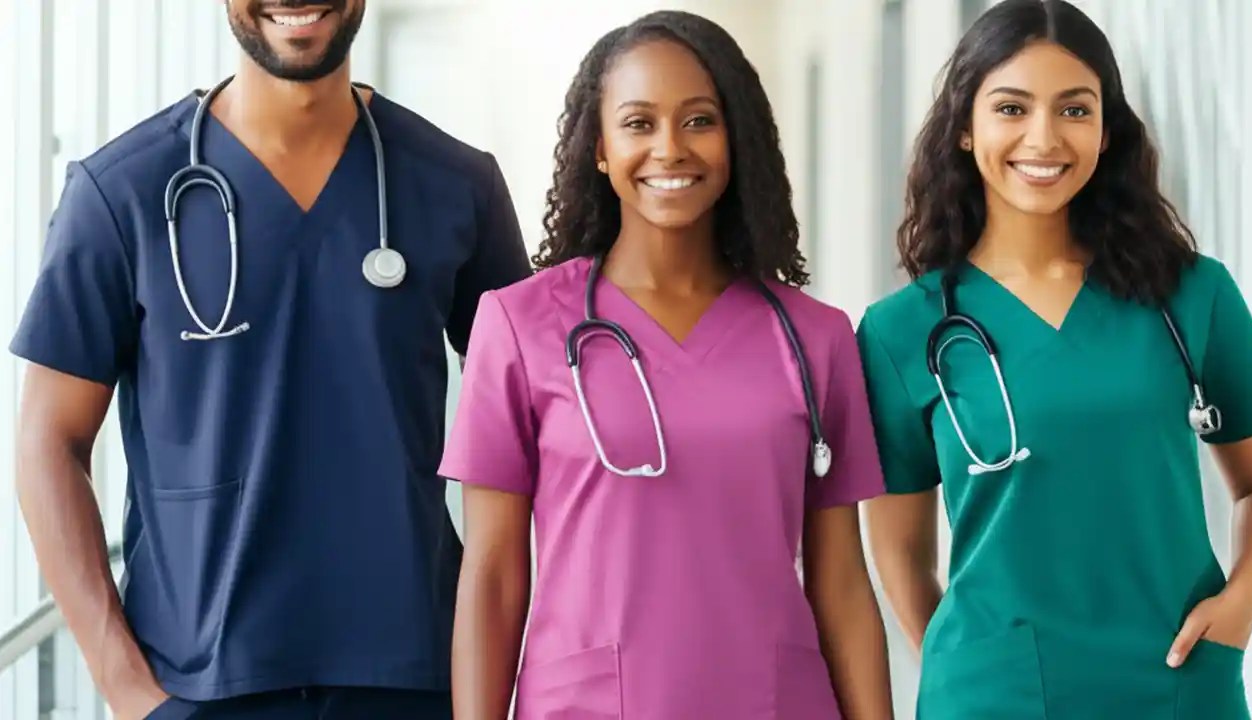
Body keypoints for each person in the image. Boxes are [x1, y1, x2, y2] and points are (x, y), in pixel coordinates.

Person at [10, 1, 530, 718]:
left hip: (412, 676)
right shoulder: (121, 193)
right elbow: (47, 441)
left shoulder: (456, 186)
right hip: (197, 685)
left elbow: (533, 424)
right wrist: (130, 694)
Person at [438, 10, 894, 720]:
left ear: (736, 139)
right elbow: (493, 576)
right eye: (639, 123)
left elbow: (841, 584)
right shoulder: (519, 327)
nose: (670, 149)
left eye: (699, 121)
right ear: (599, 147)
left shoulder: (816, 338)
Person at [857, 1, 1252, 718]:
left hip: (1177, 681)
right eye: (1012, 108)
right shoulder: (904, 331)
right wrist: (969, 668)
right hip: (995, 694)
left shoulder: (1190, 294)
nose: (1044, 138)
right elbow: (899, 550)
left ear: (1107, 129)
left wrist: (1243, 603)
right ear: (965, 128)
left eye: (1075, 110)